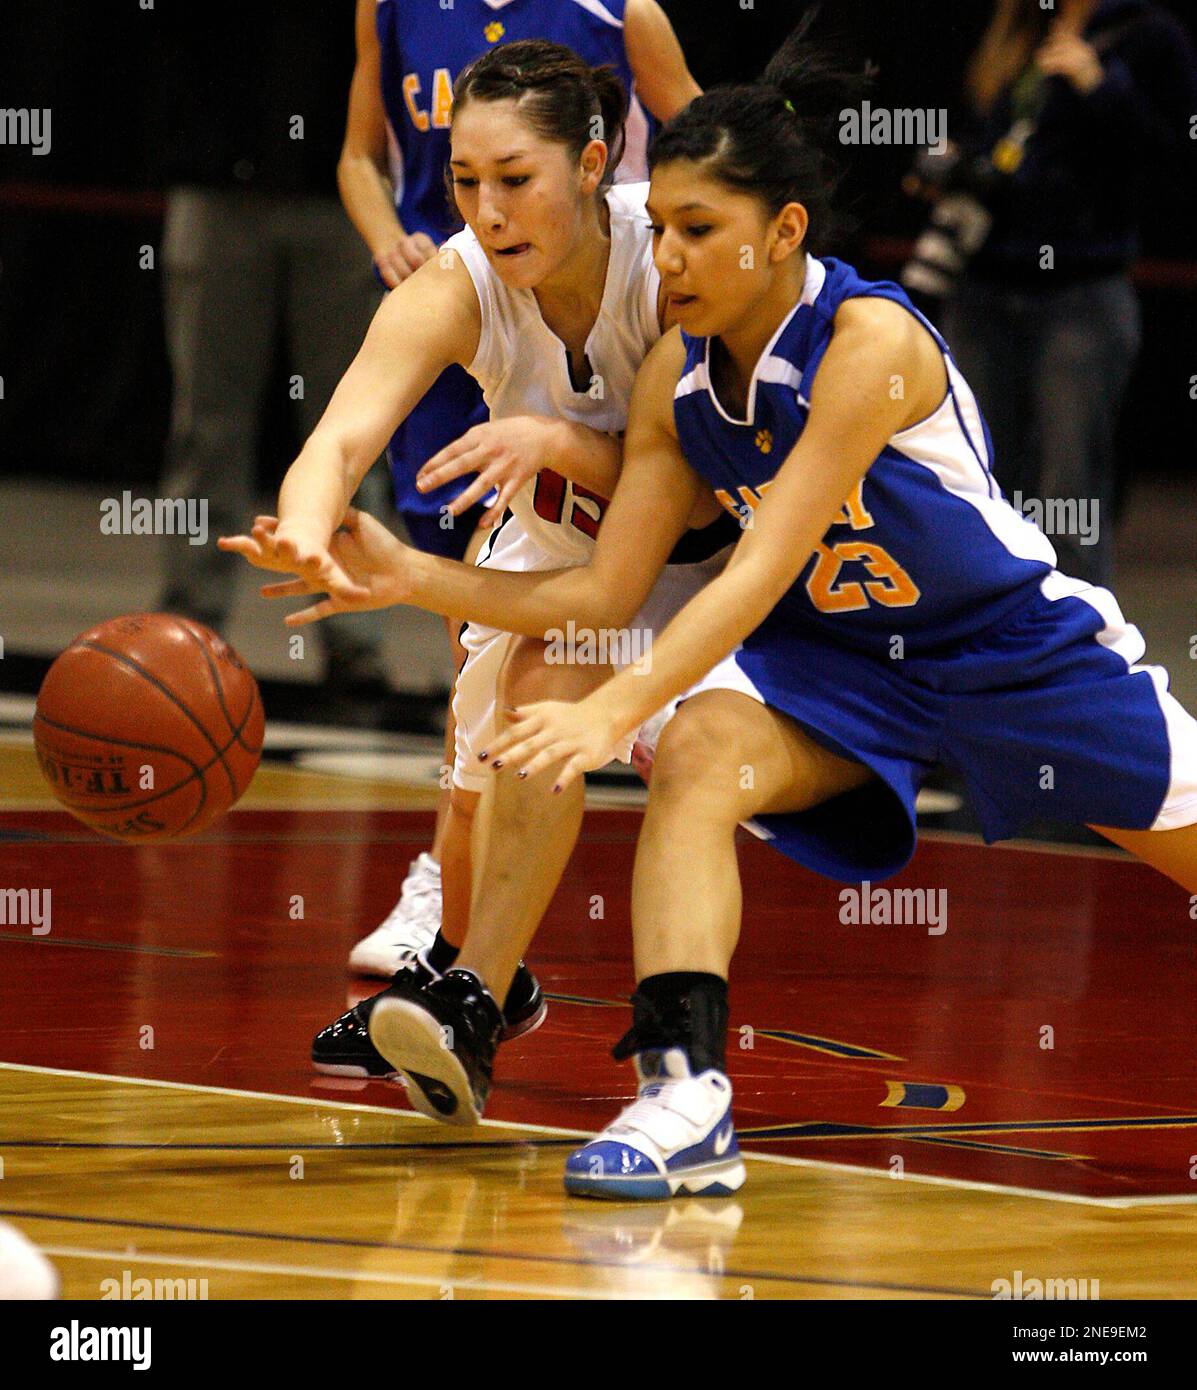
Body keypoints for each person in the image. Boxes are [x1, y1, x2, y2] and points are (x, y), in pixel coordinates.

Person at [229, 20, 1197, 1201]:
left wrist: (613, 703)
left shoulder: (867, 341)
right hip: (839, 657)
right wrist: (391, 564)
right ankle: (683, 1091)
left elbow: (748, 573)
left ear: (782, 232)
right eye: (669, 232)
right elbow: (609, 583)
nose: (670, 260)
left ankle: (488, 980)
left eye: (697, 234)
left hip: (1005, 648)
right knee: (695, 756)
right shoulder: (680, 380)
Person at [220, 40, 731, 1109]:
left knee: (544, 694)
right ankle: (478, 977)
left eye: (515, 181)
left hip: (701, 559)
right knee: (469, 793)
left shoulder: (670, 260)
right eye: (464, 182)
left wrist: (551, 439)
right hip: (549, 549)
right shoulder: (462, 281)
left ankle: (476, 997)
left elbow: (679, 489)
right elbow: (342, 436)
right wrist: (311, 531)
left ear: (594, 165)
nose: (489, 212)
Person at [338, 0, 702, 976]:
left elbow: (714, 151)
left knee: (681, 744)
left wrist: (688, 247)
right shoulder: (399, 9)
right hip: (479, 308)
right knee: (479, 659)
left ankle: (662, 1019)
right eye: (471, 177)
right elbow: (357, 155)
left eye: (509, 174)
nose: (487, 192)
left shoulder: (621, 16)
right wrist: (390, 239)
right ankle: (460, 906)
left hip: (606, 315)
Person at [154, 6, 395, 702]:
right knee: (204, 421)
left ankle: (354, 631)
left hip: (346, 199)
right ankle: (187, 620)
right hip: (218, 187)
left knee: (352, 429)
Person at [923, 0, 1197, 587]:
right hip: (981, 288)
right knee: (972, 476)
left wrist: (1103, 86)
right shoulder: (1013, 29)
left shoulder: (1151, 36)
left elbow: (1175, 159)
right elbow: (988, 141)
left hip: (1080, 298)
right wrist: (947, 163)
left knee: (1068, 490)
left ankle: (1075, 650)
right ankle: (982, 626)